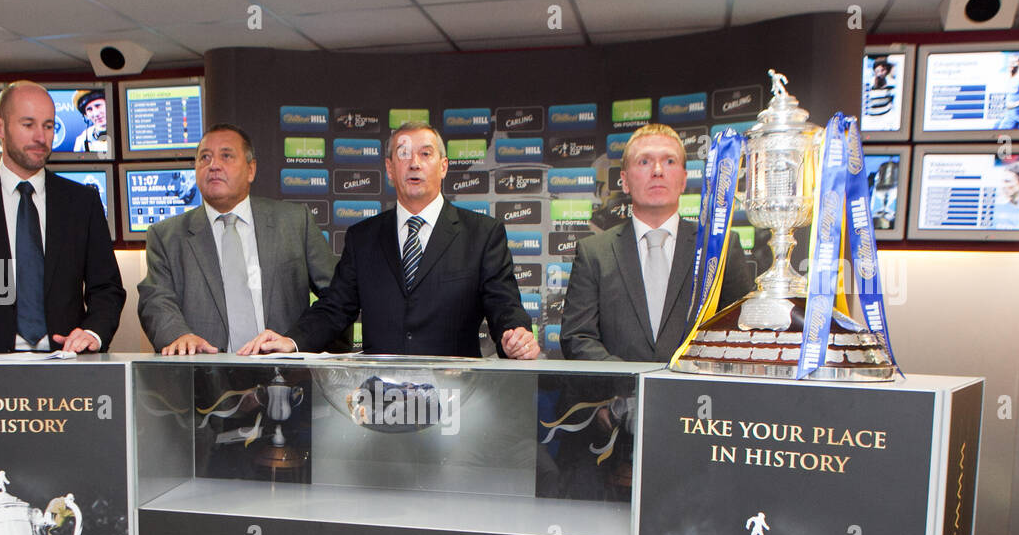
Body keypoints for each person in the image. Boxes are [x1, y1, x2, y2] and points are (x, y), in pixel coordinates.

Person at [239, 122, 539, 359]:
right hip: (380, 396)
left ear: (444, 166)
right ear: (389, 169)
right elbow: (334, 308)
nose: (414, 163)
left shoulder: (482, 234)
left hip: (453, 396)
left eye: (425, 154)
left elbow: (504, 304)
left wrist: (515, 334)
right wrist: (292, 341)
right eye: (403, 154)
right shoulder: (363, 238)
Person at [0, 80, 125, 356]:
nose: (41, 137)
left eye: (49, 126)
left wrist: (92, 332)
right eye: (28, 125)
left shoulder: (82, 202)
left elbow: (107, 288)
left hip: (67, 365)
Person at [561, 123, 755, 362]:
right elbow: (577, 338)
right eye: (644, 161)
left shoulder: (719, 247)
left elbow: (741, 334)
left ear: (684, 180)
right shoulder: (594, 253)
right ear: (624, 180)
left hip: (698, 397)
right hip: (618, 397)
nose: (657, 170)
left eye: (670, 161)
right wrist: (632, 384)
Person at [137, 124, 336, 355]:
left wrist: (298, 340)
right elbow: (155, 299)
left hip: (285, 374)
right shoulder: (166, 236)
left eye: (226, 156)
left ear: (251, 170)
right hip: (202, 376)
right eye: (205, 158)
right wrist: (179, 336)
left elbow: (336, 295)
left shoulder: (294, 222)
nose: (214, 166)